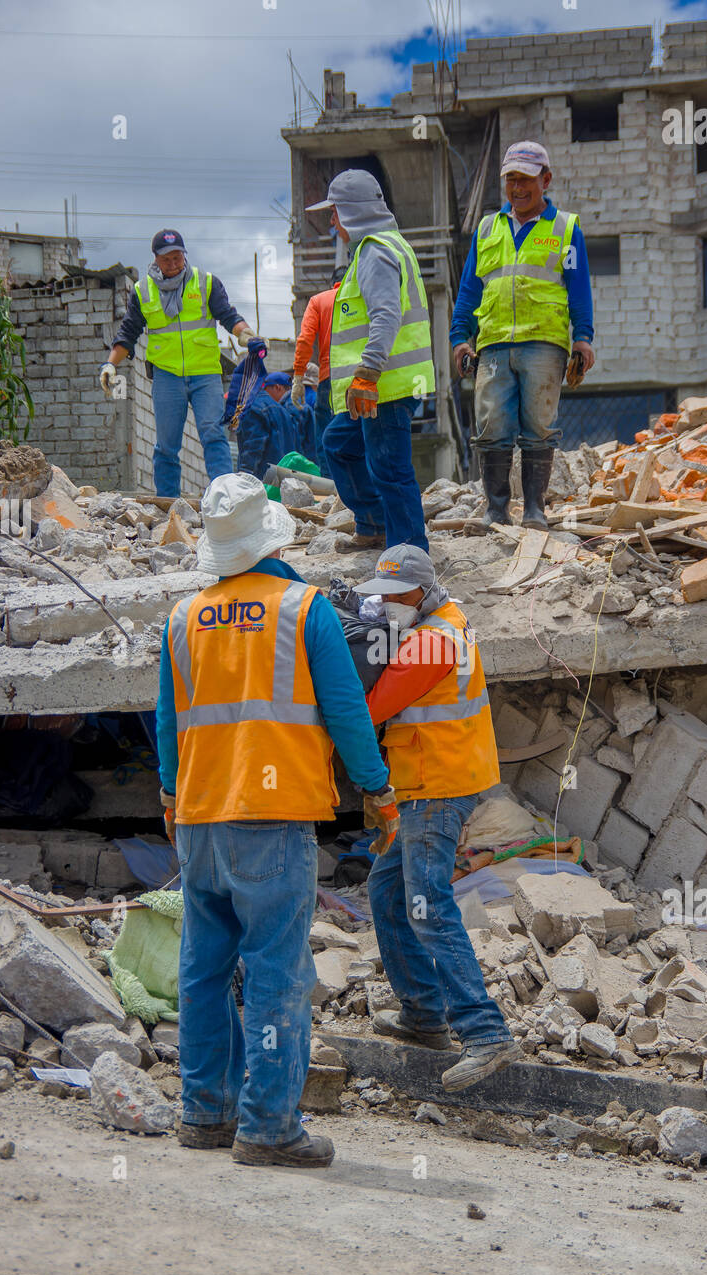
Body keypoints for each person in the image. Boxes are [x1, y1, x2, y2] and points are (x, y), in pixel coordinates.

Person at [156, 472, 398, 1167]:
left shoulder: (183, 619)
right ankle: (267, 1127)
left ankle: (205, 1113)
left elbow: (169, 724)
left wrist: (173, 800)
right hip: (272, 815)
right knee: (274, 971)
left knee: (203, 968)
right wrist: (377, 792)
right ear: (270, 538)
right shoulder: (304, 609)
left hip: (200, 817)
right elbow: (349, 713)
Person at [354, 544, 522, 1092]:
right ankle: (424, 1015)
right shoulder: (447, 619)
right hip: (430, 780)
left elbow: (372, 708)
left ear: (423, 593)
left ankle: (484, 1031)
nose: (386, 606)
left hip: (436, 786)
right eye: (380, 597)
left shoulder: (429, 642)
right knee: (386, 893)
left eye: (396, 597)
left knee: (427, 906)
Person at [450, 142, 595, 530]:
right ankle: (496, 510)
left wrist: (583, 337)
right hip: (494, 343)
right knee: (491, 425)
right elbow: (469, 290)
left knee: (538, 427)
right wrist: (459, 338)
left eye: (526, 179)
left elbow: (578, 287)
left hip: (544, 344)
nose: (517, 187)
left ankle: (534, 510)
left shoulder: (565, 227)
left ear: (545, 180)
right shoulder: (486, 229)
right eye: (511, 179)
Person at [307, 171, 433, 553]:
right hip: (377, 387)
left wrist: (367, 374)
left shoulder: (376, 252)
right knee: (339, 444)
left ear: (351, 211)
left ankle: (409, 554)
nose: (332, 222)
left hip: (384, 386)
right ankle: (375, 525)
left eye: (335, 213)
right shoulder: (375, 248)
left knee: (390, 471)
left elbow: (385, 315)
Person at [100, 229, 267, 497]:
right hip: (167, 376)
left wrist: (247, 335)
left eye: (178, 257)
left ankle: (226, 499)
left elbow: (228, 316)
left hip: (206, 374)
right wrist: (110, 365)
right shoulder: (144, 291)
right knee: (166, 445)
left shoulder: (205, 283)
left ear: (184, 255)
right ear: (156, 258)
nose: (174, 264)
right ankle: (168, 504)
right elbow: (127, 333)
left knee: (214, 434)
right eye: (167, 259)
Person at [291, 276, 342, 476]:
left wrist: (298, 376)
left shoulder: (320, 300)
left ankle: (331, 487)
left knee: (326, 435)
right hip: (364, 377)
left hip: (330, 376)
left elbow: (305, 340)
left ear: (332, 284)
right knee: (361, 433)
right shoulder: (364, 298)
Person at [236, 372, 300, 480]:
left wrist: (245, 473)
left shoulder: (254, 406)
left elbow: (254, 443)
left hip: (261, 480)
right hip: (281, 481)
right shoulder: (283, 411)